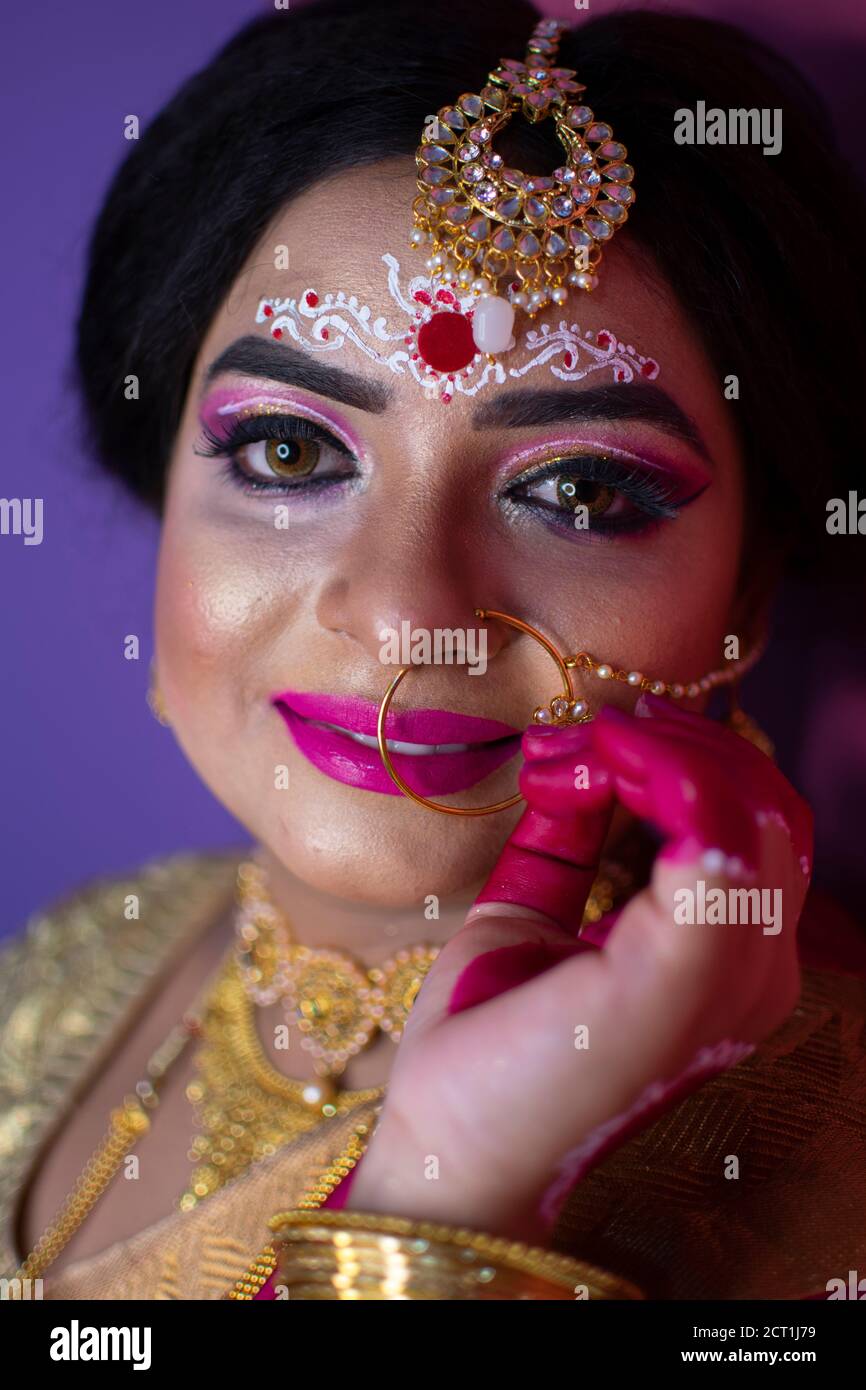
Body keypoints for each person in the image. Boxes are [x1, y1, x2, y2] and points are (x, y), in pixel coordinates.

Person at [2, 0, 865, 1301]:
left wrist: (448, 1202)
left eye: (578, 492)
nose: (410, 613)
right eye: (288, 452)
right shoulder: (70, 961)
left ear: (745, 590)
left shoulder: (820, 1164)